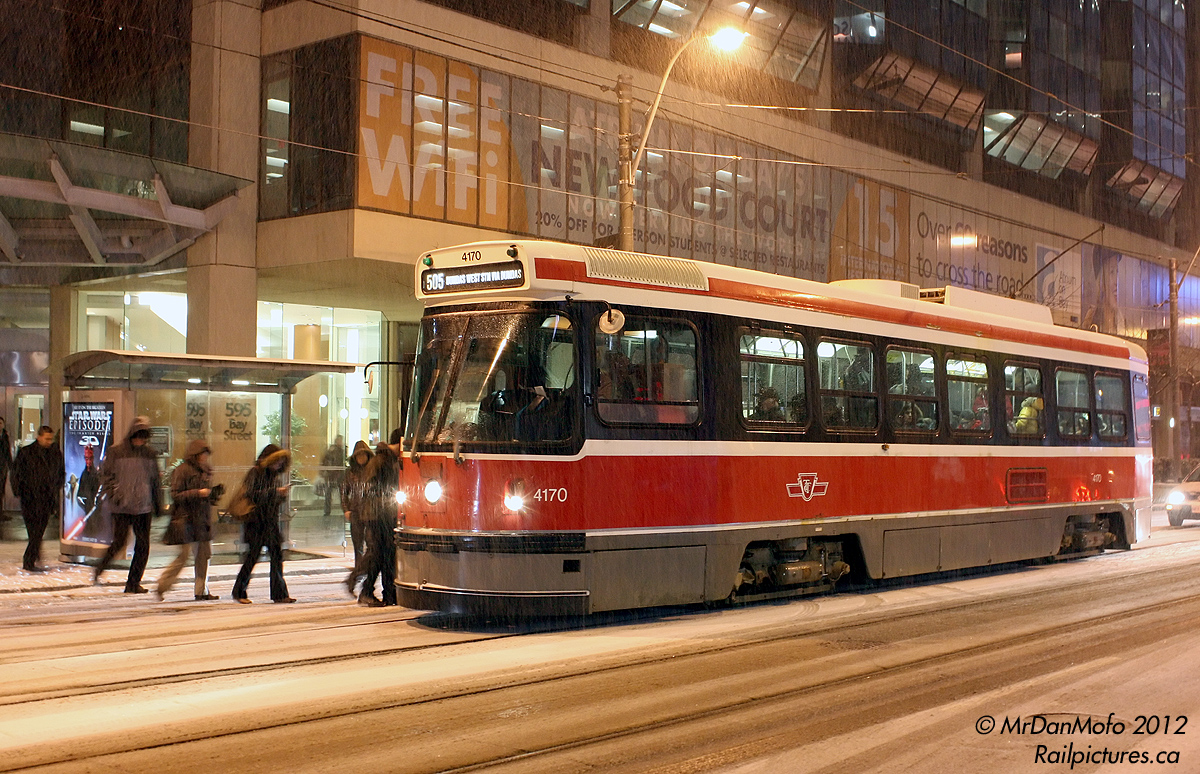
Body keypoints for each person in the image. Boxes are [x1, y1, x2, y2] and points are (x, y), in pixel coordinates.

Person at [94, 417, 161, 592]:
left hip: (142, 506)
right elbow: (106, 476)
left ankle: (133, 583)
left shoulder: (149, 454)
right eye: (138, 436)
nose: (140, 441)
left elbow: (155, 481)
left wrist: (157, 502)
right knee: (119, 542)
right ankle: (100, 567)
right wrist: (115, 495)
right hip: (122, 505)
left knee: (143, 546)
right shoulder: (116, 452)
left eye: (143, 437)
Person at [156, 440, 221, 602]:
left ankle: (201, 591)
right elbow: (176, 494)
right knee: (183, 557)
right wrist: (198, 493)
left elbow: (206, 495)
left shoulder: (206, 470)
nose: (205, 457)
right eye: (202, 454)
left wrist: (213, 495)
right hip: (186, 518)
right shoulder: (182, 470)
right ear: (195, 454)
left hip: (202, 519)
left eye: (206, 454)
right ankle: (162, 585)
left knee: (204, 556)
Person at [231, 444, 295, 604]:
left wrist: (281, 496)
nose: (279, 464)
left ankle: (280, 594)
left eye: (281, 461)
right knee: (252, 557)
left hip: (270, 522)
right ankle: (239, 591)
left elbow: (270, 500)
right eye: (277, 460)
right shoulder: (256, 472)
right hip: (256, 522)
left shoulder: (273, 476)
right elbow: (253, 495)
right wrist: (275, 492)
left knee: (276, 557)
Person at [350, 429, 401, 607]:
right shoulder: (382, 461)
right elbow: (370, 488)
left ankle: (387, 593)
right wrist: (387, 497)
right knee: (381, 555)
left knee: (386, 555)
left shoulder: (387, 460)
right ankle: (366, 589)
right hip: (378, 516)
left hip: (382, 514)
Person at [10, 425, 64, 573]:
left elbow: (60, 472)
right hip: (30, 497)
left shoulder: (54, 453)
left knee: (38, 530)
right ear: (39, 437)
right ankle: (29, 559)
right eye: (46, 438)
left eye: (50, 439)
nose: (49, 441)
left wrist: (56, 486)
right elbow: (16, 473)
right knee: (34, 531)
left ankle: (32, 557)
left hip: (46, 497)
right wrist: (19, 491)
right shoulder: (26, 452)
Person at [341, 440, 373, 568]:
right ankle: (359, 568)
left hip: (370, 511)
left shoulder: (372, 470)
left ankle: (368, 567)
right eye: (358, 456)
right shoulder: (350, 472)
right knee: (357, 542)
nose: (361, 458)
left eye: (363, 455)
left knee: (371, 542)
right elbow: (343, 491)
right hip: (356, 511)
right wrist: (346, 509)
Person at [320, 435, 346, 519]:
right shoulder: (334, 451)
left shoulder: (340, 450)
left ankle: (330, 510)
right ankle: (328, 510)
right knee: (331, 492)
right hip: (334, 474)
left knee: (337, 492)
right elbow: (328, 461)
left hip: (337, 474)